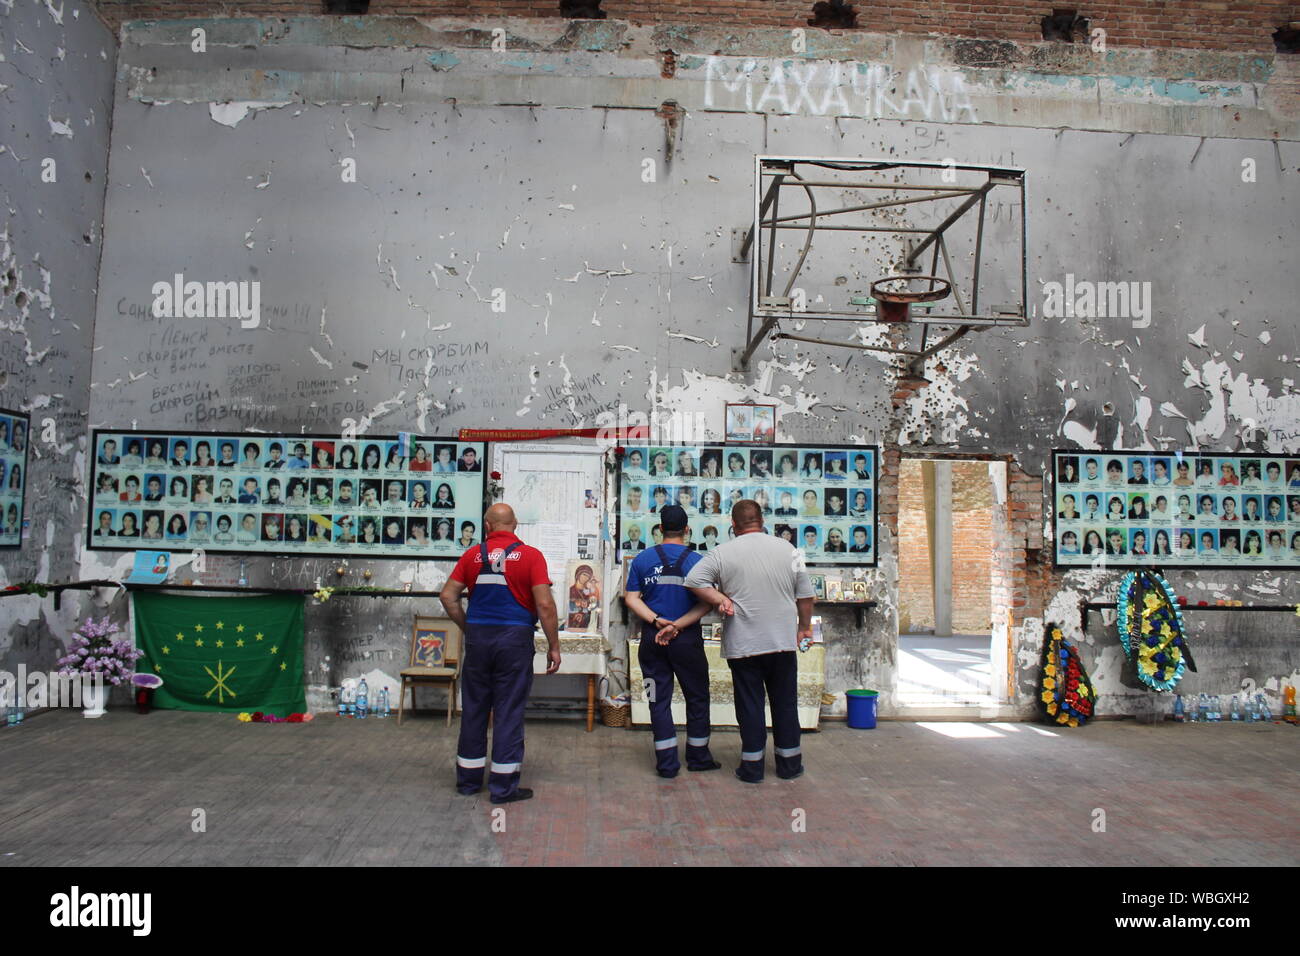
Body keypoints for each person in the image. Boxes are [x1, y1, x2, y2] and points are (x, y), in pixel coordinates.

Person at [685, 500, 813, 784]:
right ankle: (789, 765)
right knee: (785, 703)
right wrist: (804, 628)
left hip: (744, 644)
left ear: (733, 525)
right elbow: (805, 596)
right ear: (762, 520)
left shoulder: (721, 552)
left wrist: (721, 599)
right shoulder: (789, 550)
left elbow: (693, 581)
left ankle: (752, 767)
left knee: (750, 705)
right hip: (781, 641)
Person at [440, 503, 560, 804]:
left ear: (487, 526)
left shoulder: (472, 555)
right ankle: (503, 787)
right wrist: (554, 646)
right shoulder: (531, 556)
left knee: (475, 708)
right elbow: (544, 605)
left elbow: (448, 596)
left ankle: (468, 781)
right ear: (515, 525)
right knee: (508, 711)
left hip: (479, 640)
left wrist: (468, 628)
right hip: (514, 641)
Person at [624, 505, 720, 778]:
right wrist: (678, 625)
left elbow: (632, 599)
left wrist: (657, 622)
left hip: (652, 640)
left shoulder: (642, 559)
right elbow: (708, 603)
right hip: (687, 640)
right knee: (698, 696)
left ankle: (666, 764)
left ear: (660, 530)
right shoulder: (698, 561)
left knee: (657, 699)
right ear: (687, 530)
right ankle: (699, 757)